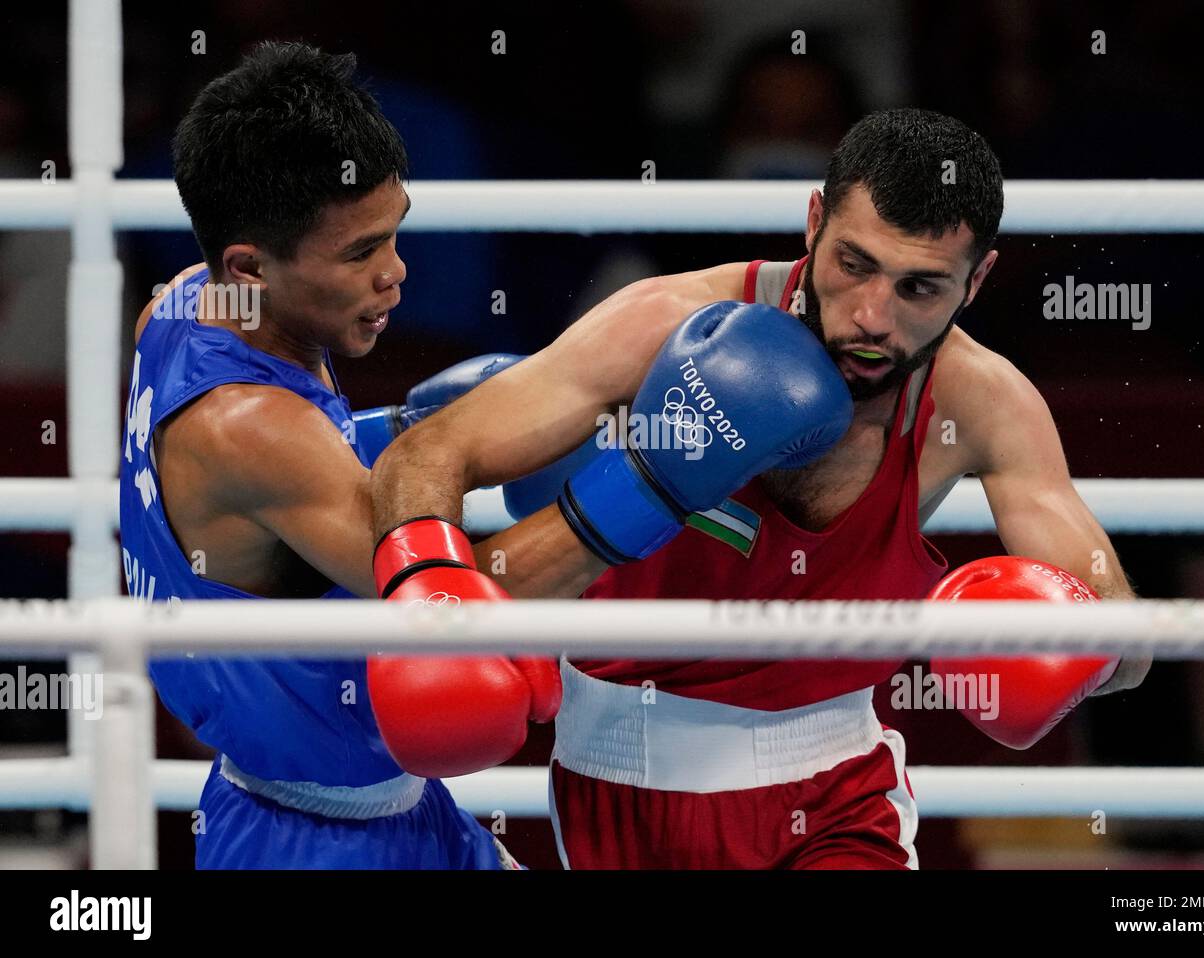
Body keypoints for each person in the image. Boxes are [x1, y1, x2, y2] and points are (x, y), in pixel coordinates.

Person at [120, 41, 849, 869]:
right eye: (358, 253)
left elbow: (274, 494)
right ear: (251, 267)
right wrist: (656, 483)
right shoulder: (251, 428)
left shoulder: (187, 304)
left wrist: (401, 430)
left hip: (385, 808)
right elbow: (452, 610)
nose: (395, 273)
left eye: (392, 233)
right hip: (316, 846)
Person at [372, 108, 1151, 869]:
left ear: (976, 280)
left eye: (920, 288)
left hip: (840, 795)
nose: (872, 316)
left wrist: (1074, 644)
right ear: (814, 223)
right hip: (618, 782)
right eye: (854, 264)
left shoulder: (981, 402)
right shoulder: (660, 324)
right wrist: (429, 597)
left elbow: (1125, 637)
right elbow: (430, 450)